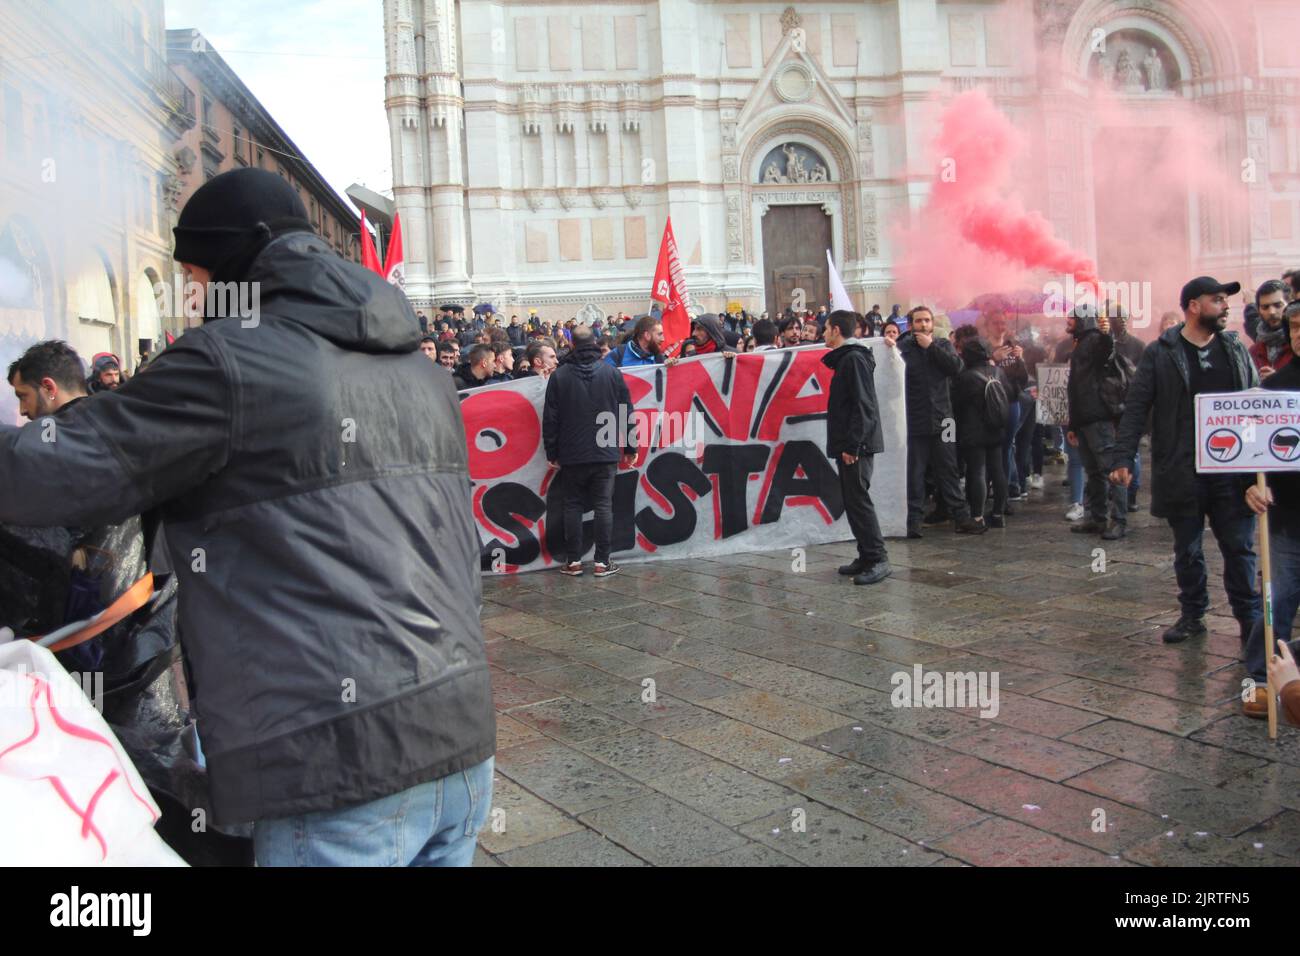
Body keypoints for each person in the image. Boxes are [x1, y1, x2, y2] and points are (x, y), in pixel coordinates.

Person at [0, 167, 494, 866]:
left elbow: (50, 471)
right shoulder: (420, 368)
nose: (194, 298)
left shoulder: (232, 362)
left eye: (198, 277)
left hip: (339, 770)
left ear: (240, 259)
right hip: (462, 739)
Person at [1111, 276, 1261, 645]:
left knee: (1240, 549)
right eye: (1217, 299)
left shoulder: (1235, 348)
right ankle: (1193, 614)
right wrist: (1122, 456)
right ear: (1193, 305)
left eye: (1225, 300)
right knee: (1188, 549)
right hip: (1182, 468)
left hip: (1232, 470)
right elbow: (1137, 405)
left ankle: (1250, 622)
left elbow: (1256, 402)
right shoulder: (1161, 351)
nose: (1225, 306)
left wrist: (1262, 465)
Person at [1242, 300, 1300, 717]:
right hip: (1287, 521)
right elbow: (1248, 453)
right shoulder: (1275, 389)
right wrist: (1249, 485)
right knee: (1275, 602)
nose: (1299, 335)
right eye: (1296, 328)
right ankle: (1261, 679)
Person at [543, 326, 635, 578]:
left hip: (571, 452)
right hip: (605, 451)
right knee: (604, 505)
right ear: (594, 343)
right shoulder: (611, 373)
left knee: (572, 505)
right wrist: (630, 446)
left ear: (571, 345)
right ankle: (602, 562)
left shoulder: (559, 376)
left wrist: (551, 451)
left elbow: (550, 418)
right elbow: (626, 411)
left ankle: (573, 561)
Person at [888, 306, 983, 538]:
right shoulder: (902, 348)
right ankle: (913, 522)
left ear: (932, 324)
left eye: (927, 320)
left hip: (944, 420)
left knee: (948, 468)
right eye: (919, 321)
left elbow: (956, 368)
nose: (923, 325)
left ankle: (961, 517)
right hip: (915, 420)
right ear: (910, 325)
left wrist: (930, 347)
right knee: (915, 472)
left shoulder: (941, 346)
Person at [822, 310, 890, 585]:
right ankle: (866, 554)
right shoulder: (848, 360)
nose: (823, 333)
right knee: (853, 500)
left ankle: (878, 558)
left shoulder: (853, 360)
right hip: (851, 444)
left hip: (856, 446)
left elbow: (864, 406)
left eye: (826, 328)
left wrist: (854, 445)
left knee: (859, 501)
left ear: (837, 330)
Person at [1065, 303, 1128, 540]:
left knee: (1110, 470)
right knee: (1094, 473)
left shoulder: (1093, 341)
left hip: (1098, 419)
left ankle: (1118, 520)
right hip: (1085, 420)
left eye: (1073, 316)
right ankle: (1097, 518)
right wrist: (1073, 424)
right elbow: (1075, 389)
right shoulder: (1081, 343)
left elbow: (1106, 351)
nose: (1068, 319)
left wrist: (1106, 334)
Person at [953, 338, 1011, 528]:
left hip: (973, 431)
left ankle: (977, 517)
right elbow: (1010, 394)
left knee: (977, 471)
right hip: (996, 428)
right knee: (998, 470)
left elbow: (956, 404)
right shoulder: (998, 372)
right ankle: (998, 514)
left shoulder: (966, 377)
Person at [1249, 279, 1291, 379]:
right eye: (1265, 307)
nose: (1271, 312)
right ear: (1258, 310)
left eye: (1278, 305)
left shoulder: (1296, 344)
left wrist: (1280, 380)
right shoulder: (1254, 352)